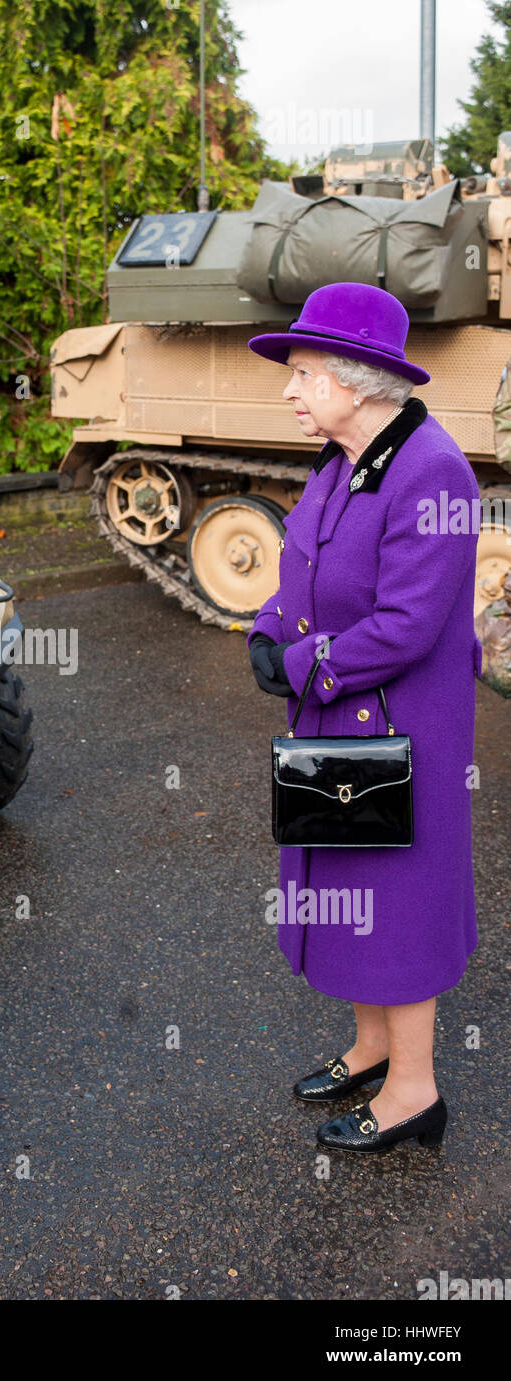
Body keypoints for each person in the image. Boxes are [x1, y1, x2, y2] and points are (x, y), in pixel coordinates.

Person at [245, 282, 480, 1153]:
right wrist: (269, 628)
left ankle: (415, 1092)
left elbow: (409, 625)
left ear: (359, 382)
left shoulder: (433, 471)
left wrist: (303, 665)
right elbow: (301, 567)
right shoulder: (342, 459)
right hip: (340, 717)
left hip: (399, 724)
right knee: (348, 884)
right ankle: (373, 1048)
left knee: (395, 899)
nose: (290, 390)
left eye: (304, 374)